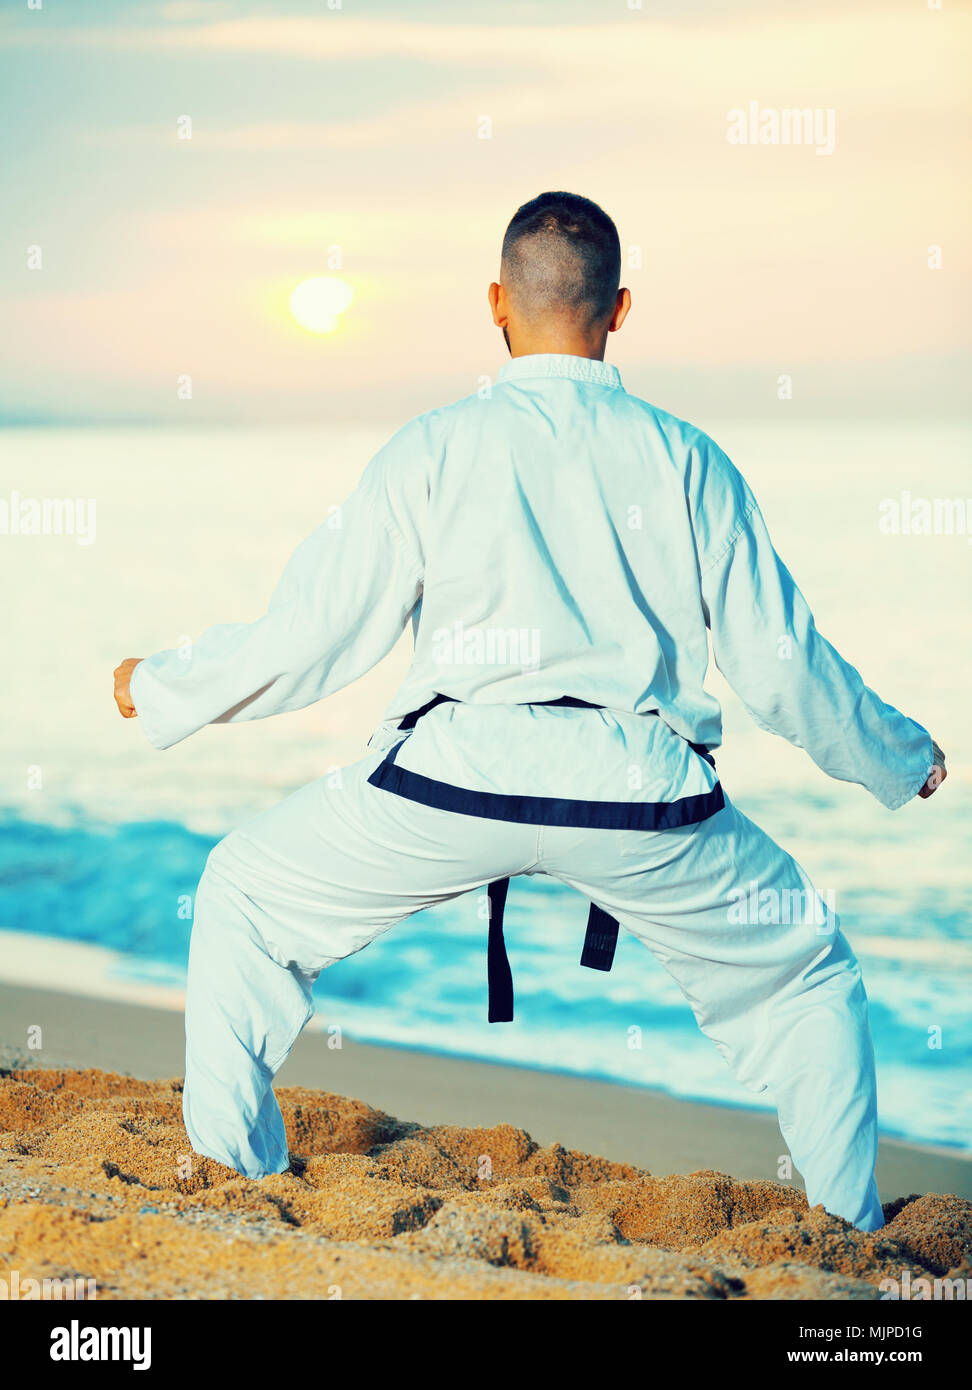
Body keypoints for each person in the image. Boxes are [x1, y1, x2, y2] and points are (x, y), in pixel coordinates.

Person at [113, 192, 945, 1231]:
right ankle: (846, 1229)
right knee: (809, 972)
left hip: (452, 779)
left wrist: (160, 683)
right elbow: (780, 665)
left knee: (239, 893)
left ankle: (237, 1180)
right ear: (621, 308)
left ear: (496, 304)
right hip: (642, 802)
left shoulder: (435, 446)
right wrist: (897, 757)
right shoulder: (687, 458)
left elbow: (316, 634)